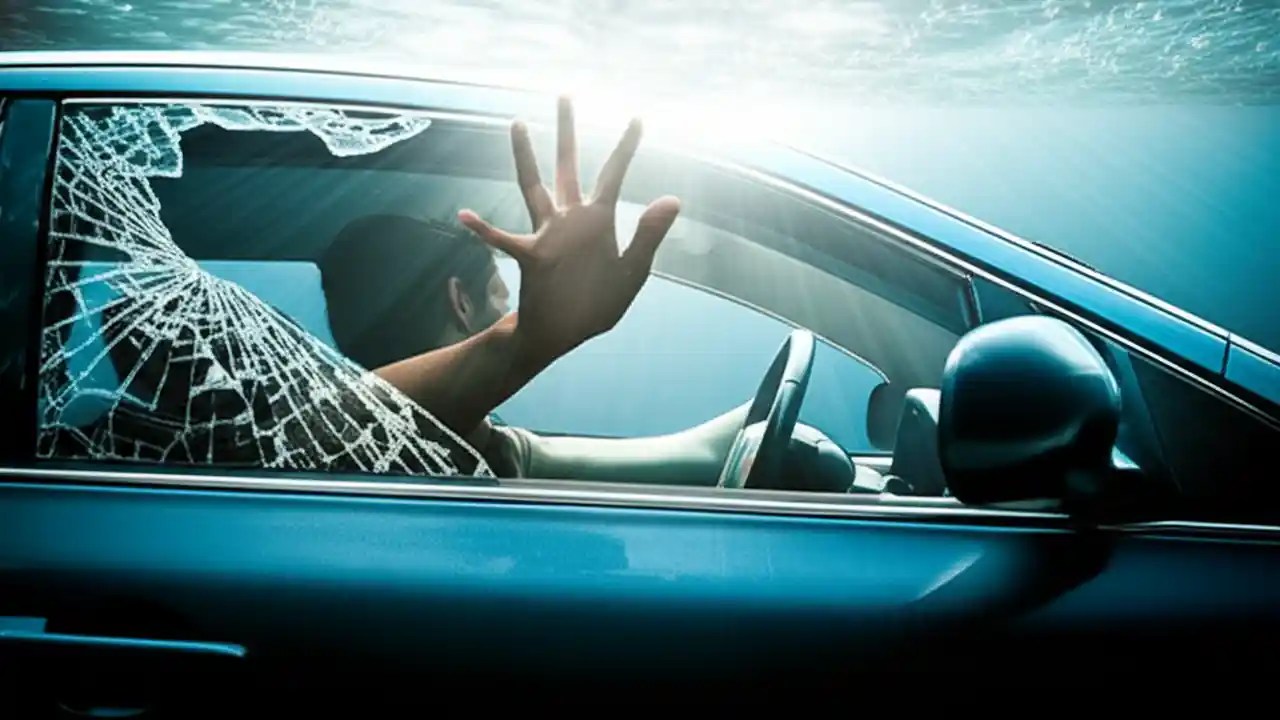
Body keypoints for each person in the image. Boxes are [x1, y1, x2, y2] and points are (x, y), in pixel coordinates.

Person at [320, 97, 748, 482]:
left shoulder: (476, 452)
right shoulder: (343, 440)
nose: (514, 309)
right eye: (501, 294)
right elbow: (363, 414)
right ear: (461, 301)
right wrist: (527, 340)